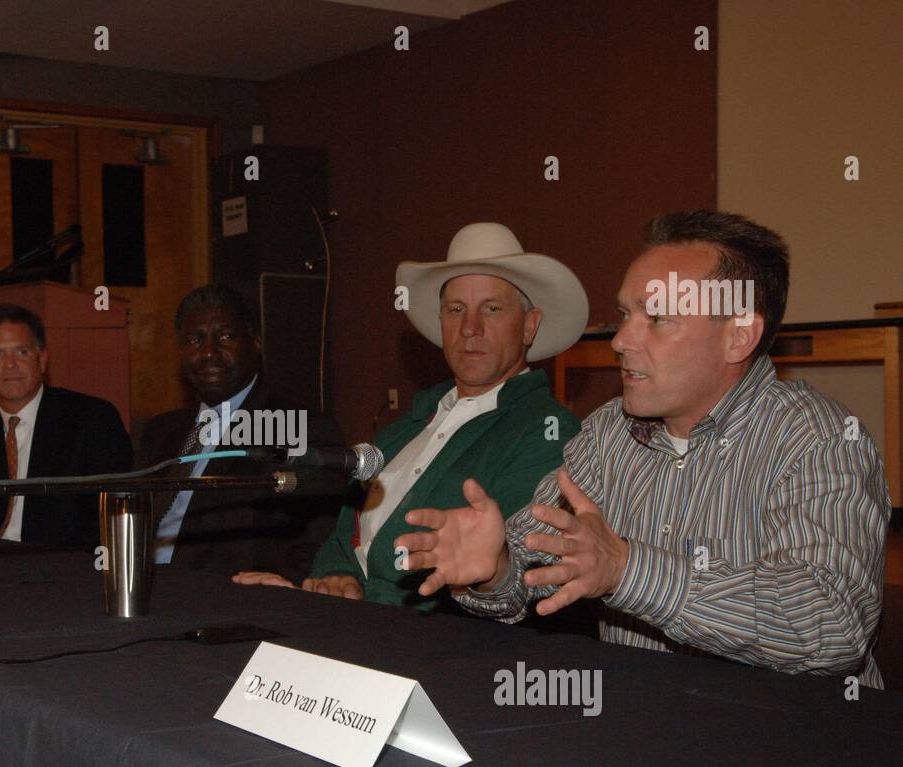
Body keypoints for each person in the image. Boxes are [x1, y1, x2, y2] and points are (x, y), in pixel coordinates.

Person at [396, 210, 889, 686]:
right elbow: (538, 562)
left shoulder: (818, 439)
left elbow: (830, 625)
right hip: (645, 729)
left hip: (795, 746)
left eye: (657, 319)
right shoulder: (612, 430)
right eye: (626, 315)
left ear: (738, 337)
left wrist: (628, 569)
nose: (622, 339)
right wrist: (496, 567)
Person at [235, 223, 585, 611]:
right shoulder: (407, 425)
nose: (470, 328)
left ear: (530, 326)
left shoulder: (548, 433)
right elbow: (342, 537)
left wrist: (347, 603)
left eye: (492, 308)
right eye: (456, 310)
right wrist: (336, 579)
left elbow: (505, 578)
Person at [134, 285, 345, 578]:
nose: (208, 353)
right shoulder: (159, 432)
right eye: (195, 340)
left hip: (228, 598)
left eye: (225, 337)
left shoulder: (297, 427)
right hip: (140, 588)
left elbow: (318, 543)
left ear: (255, 341)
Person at [0, 303, 132, 548]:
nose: (10, 365)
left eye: (22, 352)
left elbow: (118, 512)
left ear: (43, 359)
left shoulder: (91, 418)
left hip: (65, 565)